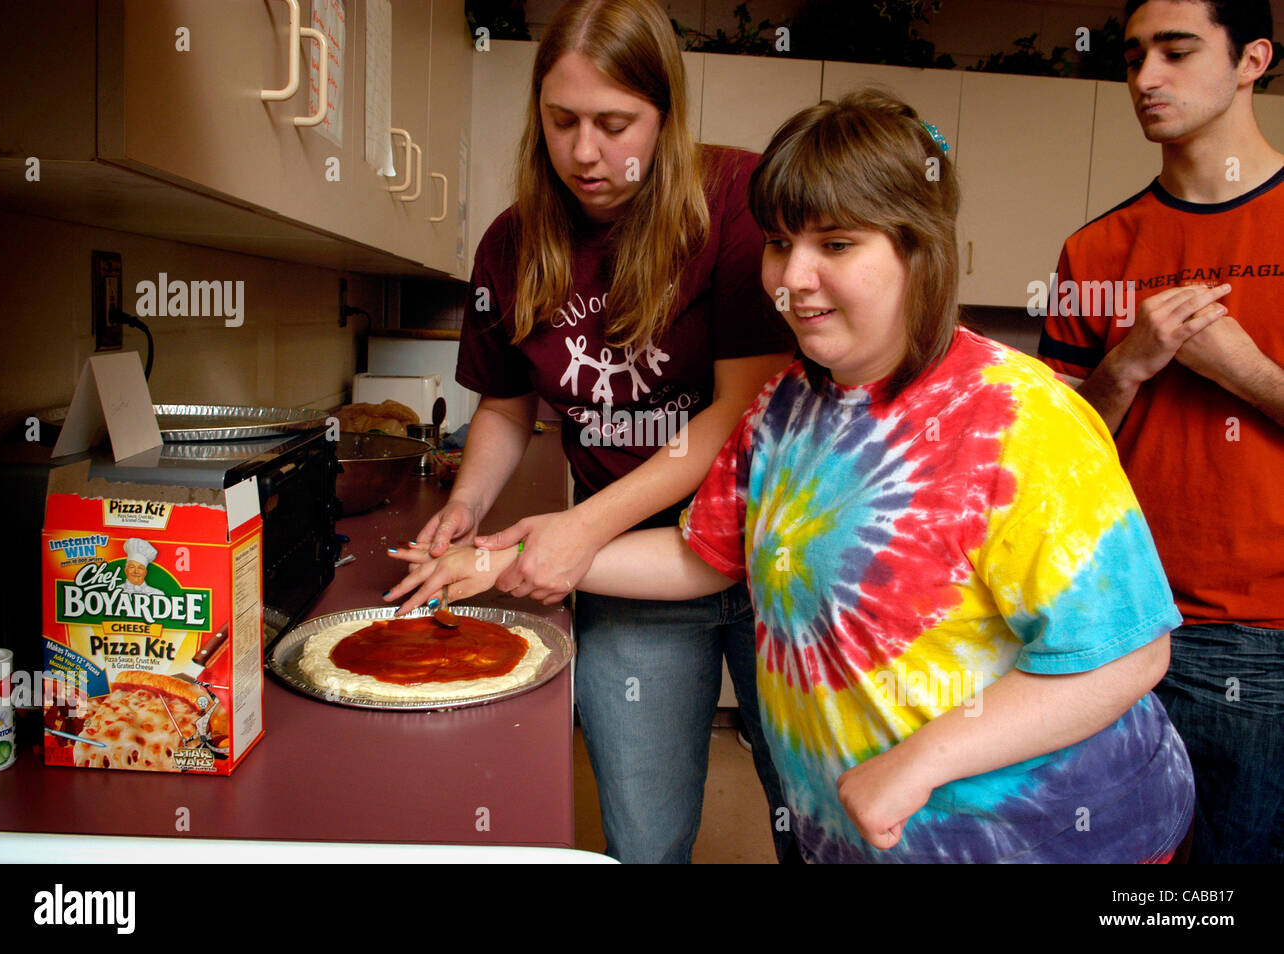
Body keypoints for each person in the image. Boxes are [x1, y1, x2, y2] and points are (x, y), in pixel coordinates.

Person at [399, 90, 1196, 864]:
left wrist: (918, 764)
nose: (792, 277)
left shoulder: (1023, 420)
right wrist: (506, 558)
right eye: (781, 242)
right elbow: (705, 556)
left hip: (1050, 840)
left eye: (837, 245)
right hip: (860, 835)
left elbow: (1125, 657)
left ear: (920, 247)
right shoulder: (787, 404)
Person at [384, 0, 795, 864]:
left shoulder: (736, 204)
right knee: (644, 840)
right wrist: (467, 500)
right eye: (562, 121)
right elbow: (506, 404)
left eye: (616, 124)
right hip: (631, 570)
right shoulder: (511, 244)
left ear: (667, 115)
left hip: (773, 557)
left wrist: (578, 528)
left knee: (815, 818)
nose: (584, 153)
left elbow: (735, 415)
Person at [1037, 0, 1284, 864]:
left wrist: (1244, 372)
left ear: (1253, 58)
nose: (1145, 79)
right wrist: (1129, 366)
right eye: (1134, 55)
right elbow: (1057, 458)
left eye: (1177, 53)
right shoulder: (1094, 250)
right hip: (1117, 621)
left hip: (1266, 635)